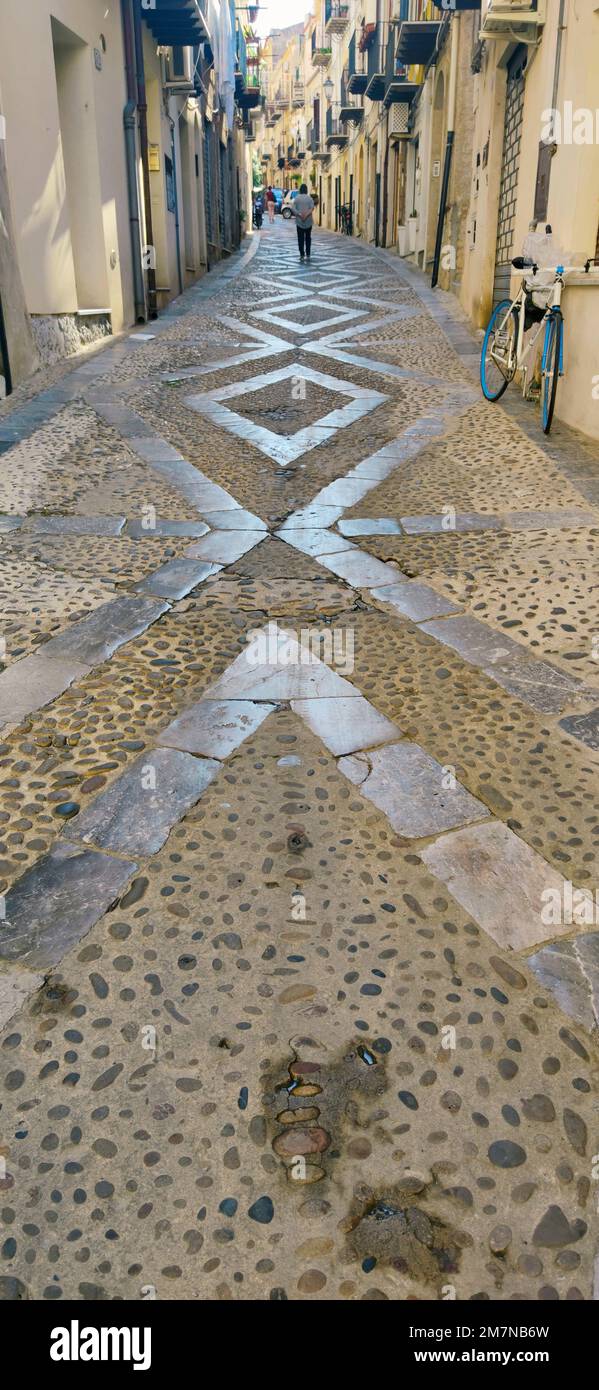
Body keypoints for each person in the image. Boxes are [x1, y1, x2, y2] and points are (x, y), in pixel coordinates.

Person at [293, 183, 315, 261]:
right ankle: (308, 253)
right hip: (308, 221)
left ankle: (302, 254)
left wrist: (299, 214)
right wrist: (306, 215)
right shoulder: (310, 199)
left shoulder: (296, 198)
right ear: (306, 190)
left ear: (300, 190)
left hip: (299, 222)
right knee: (308, 238)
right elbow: (312, 208)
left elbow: (294, 209)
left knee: (300, 238)